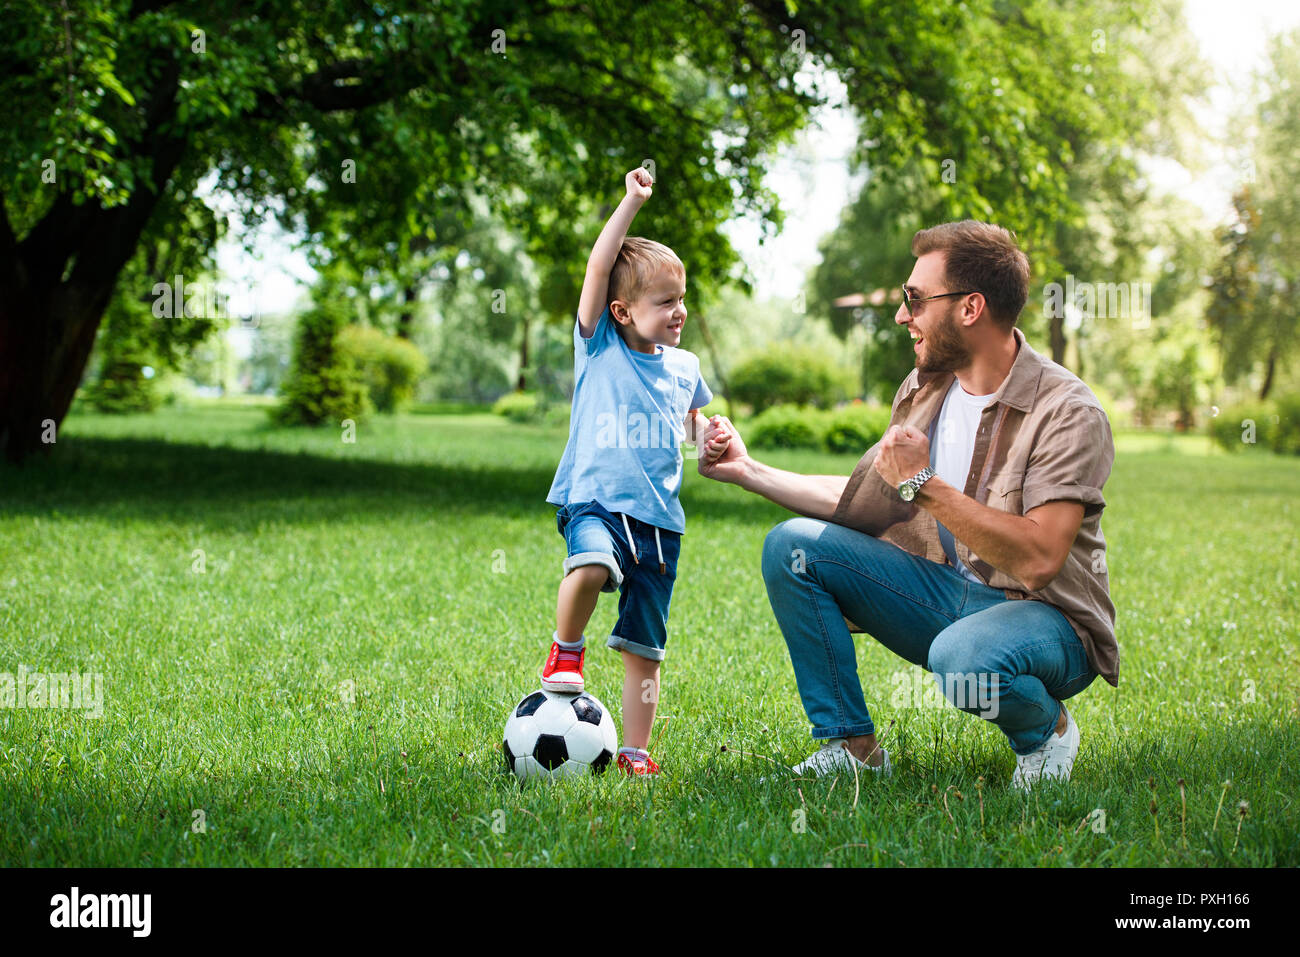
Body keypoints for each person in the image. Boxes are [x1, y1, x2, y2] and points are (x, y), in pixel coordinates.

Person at [699, 221, 1117, 790]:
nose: (902, 315)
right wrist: (746, 472)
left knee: (964, 658)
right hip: (951, 595)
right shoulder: (926, 388)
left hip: (1048, 622)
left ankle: (1046, 730)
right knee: (793, 547)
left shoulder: (1067, 411)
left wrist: (923, 482)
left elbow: (1040, 557)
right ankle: (852, 748)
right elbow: (866, 494)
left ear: (971, 307)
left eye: (914, 300)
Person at [542, 166, 729, 776]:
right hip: (596, 501)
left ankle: (635, 751)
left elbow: (693, 422)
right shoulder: (599, 346)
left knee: (646, 651)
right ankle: (566, 652)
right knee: (591, 566)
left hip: (659, 524)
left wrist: (715, 435)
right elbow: (598, 268)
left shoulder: (684, 365)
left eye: (681, 300)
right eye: (664, 302)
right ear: (621, 312)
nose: (679, 312)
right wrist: (630, 202)